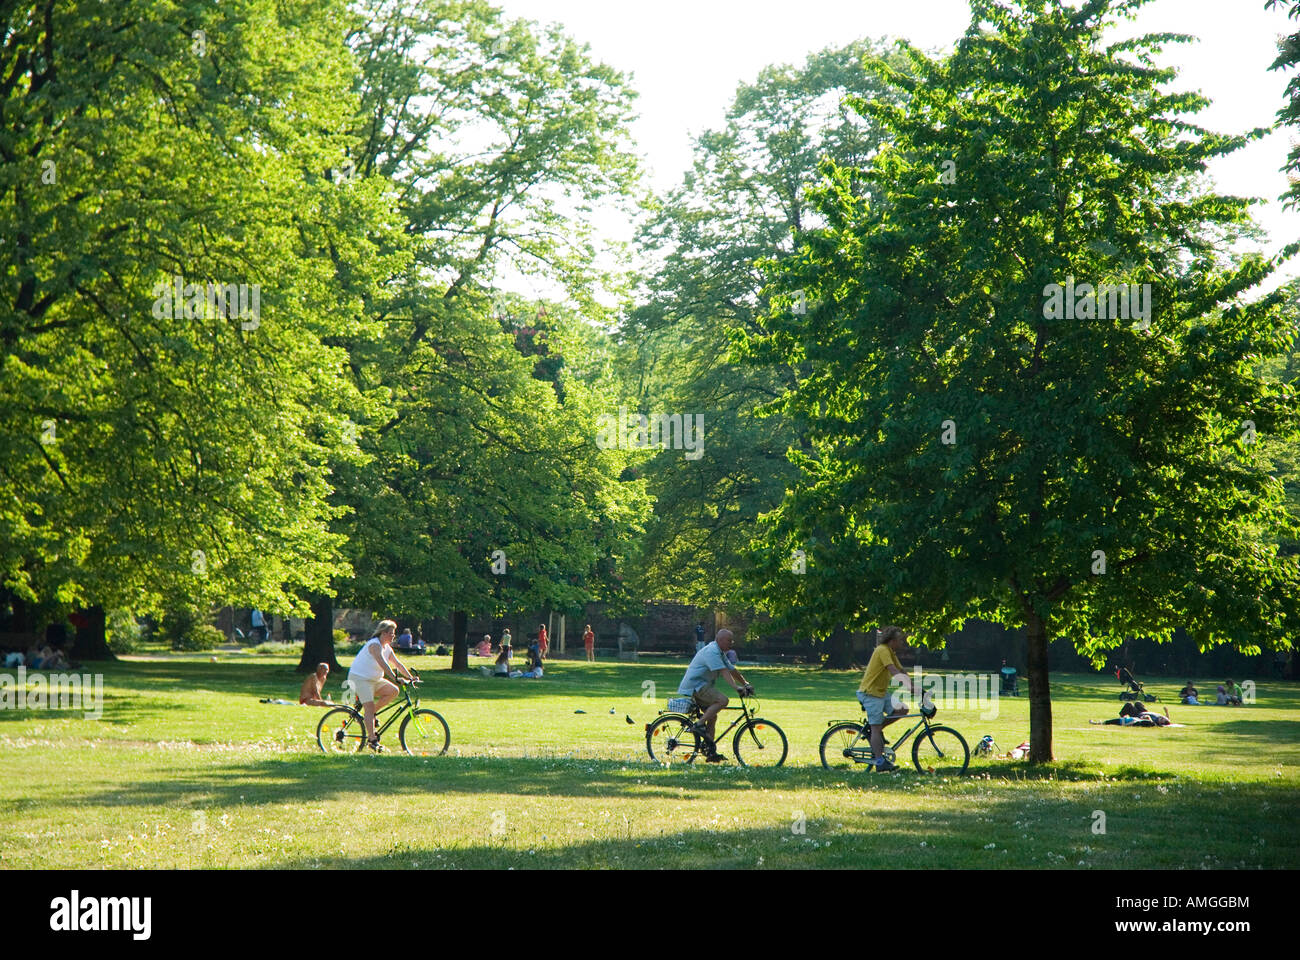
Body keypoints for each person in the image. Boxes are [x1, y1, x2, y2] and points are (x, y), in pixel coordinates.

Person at [675, 628, 752, 762]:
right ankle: (698, 725)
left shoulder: (719, 652)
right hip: (696, 686)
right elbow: (723, 671)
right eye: (729, 640)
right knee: (723, 700)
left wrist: (745, 683)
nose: (731, 643)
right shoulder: (711, 652)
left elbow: (731, 669)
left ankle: (710, 752)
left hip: (702, 685)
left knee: (712, 716)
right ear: (720, 640)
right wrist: (736, 688)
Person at [346, 620, 416, 750]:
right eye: (391, 633)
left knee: (393, 691)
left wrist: (410, 678)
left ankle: (371, 714)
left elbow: (397, 664)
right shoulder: (374, 645)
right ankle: (372, 740)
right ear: (383, 633)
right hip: (360, 679)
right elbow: (383, 664)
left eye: (394, 634)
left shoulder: (387, 648)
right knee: (369, 706)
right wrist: (395, 678)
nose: (393, 636)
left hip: (374, 680)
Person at [857, 626, 917, 772]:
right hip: (870, 694)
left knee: (902, 709)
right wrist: (908, 687)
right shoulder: (882, 650)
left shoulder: (891, 652)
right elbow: (893, 670)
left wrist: (915, 687)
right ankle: (879, 762)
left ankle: (875, 732)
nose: (902, 643)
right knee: (876, 728)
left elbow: (901, 670)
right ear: (892, 641)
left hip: (881, 693)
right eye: (900, 640)